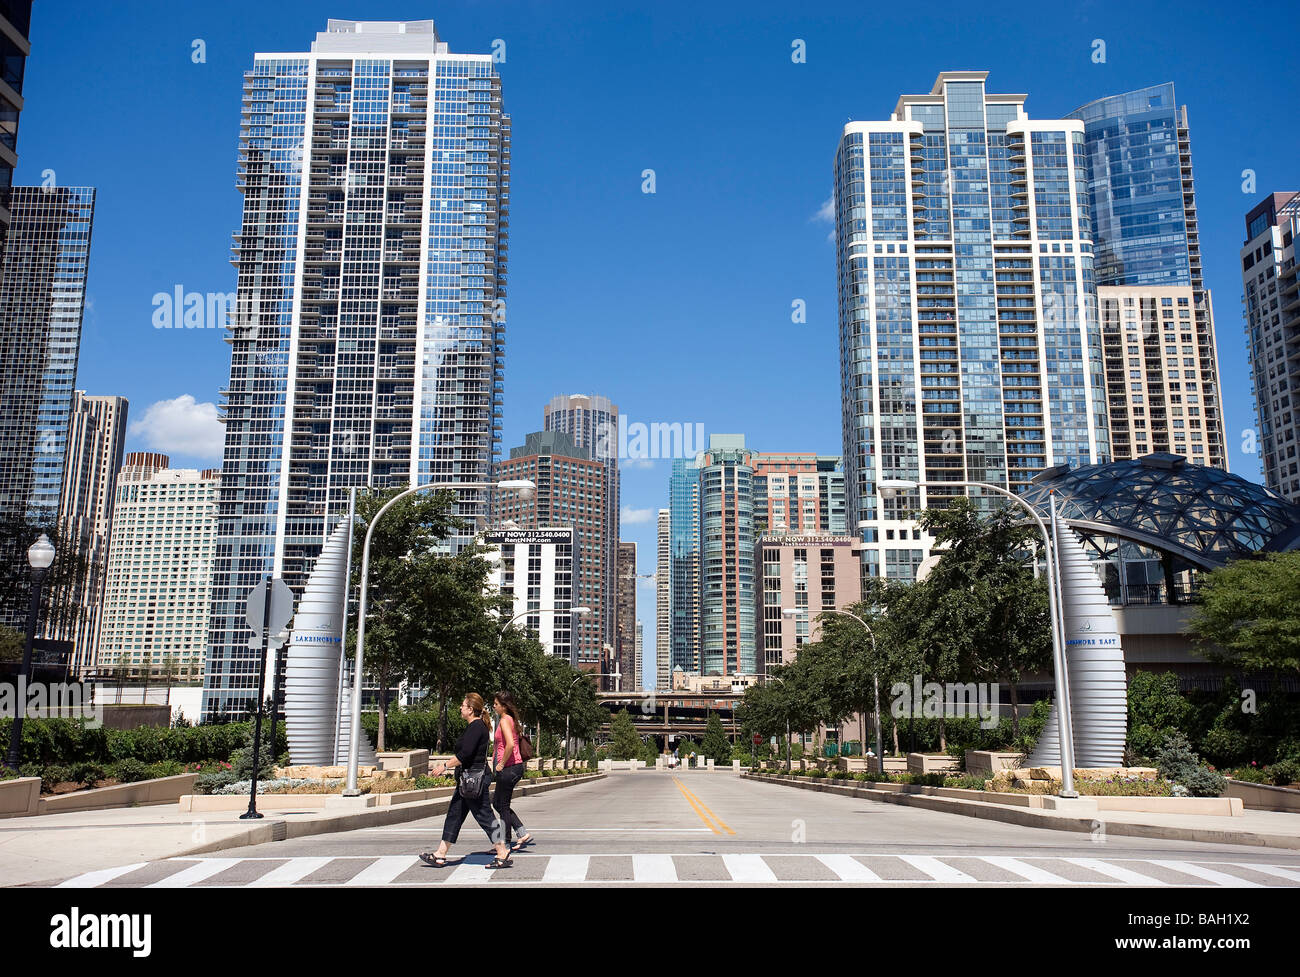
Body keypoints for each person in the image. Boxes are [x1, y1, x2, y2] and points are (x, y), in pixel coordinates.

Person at [419, 693, 512, 869]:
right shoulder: (474, 726)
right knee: (454, 815)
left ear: (470, 709)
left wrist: (444, 766)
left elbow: (465, 754)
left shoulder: (476, 727)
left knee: (485, 816)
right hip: (467, 780)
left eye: (463, 705)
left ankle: (502, 852)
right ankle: (440, 854)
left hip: (474, 780)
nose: (460, 708)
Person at [490, 690, 533, 853]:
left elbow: (509, 745)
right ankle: (521, 833)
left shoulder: (505, 721)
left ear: (504, 706)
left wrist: (500, 764)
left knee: (502, 805)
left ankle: (504, 844)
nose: (494, 707)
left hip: (509, 767)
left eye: (496, 704)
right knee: (498, 804)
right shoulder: (508, 719)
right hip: (512, 767)